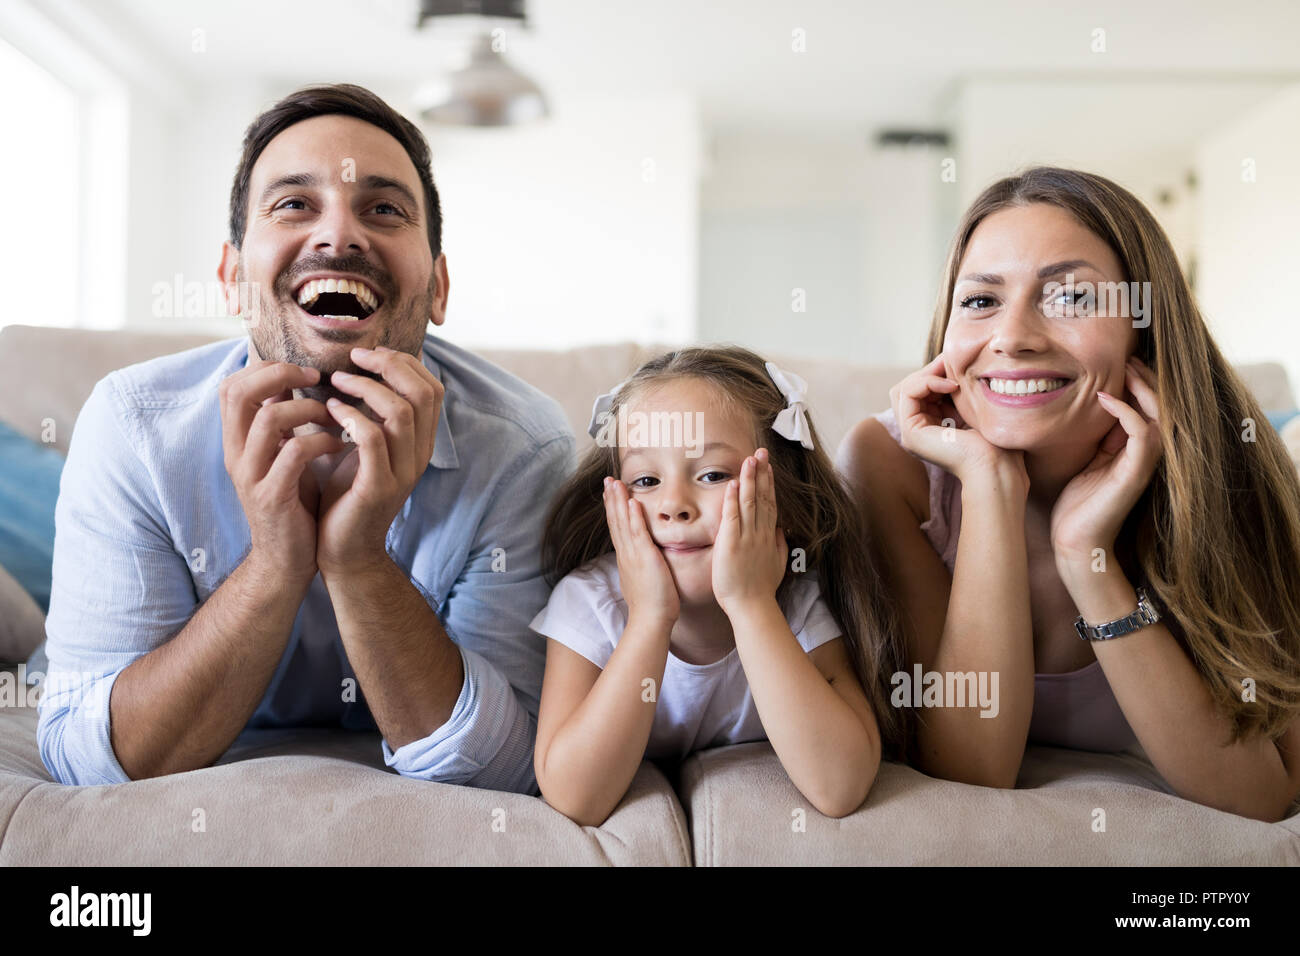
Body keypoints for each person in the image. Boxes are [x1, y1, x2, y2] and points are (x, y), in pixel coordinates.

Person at [37, 83, 574, 792]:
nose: (339, 236)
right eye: (294, 204)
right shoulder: (135, 427)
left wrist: (356, 561)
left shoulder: (524, 449)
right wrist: (274, 564)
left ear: (438, 288)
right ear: (232, 279)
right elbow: (93, 758)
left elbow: (508, 767)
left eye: (383, 209)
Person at [837, 166, 1300, 821]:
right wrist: (991, 487)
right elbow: (974, 769)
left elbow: (1262, 797)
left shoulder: (1228, 462)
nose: (1014, 336)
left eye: (1072, 299)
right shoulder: (889, 464)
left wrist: (1087, 554)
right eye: (981, 300)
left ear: (1144, 325)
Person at [531, 346, 908, 826]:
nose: (673, 505)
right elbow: (575, 798)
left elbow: (840, 786)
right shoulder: (589, 604)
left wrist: (751, 606)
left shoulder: (796, 602)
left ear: (780, 498)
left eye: (711, 474)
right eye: (645, 480)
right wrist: (649, 618)